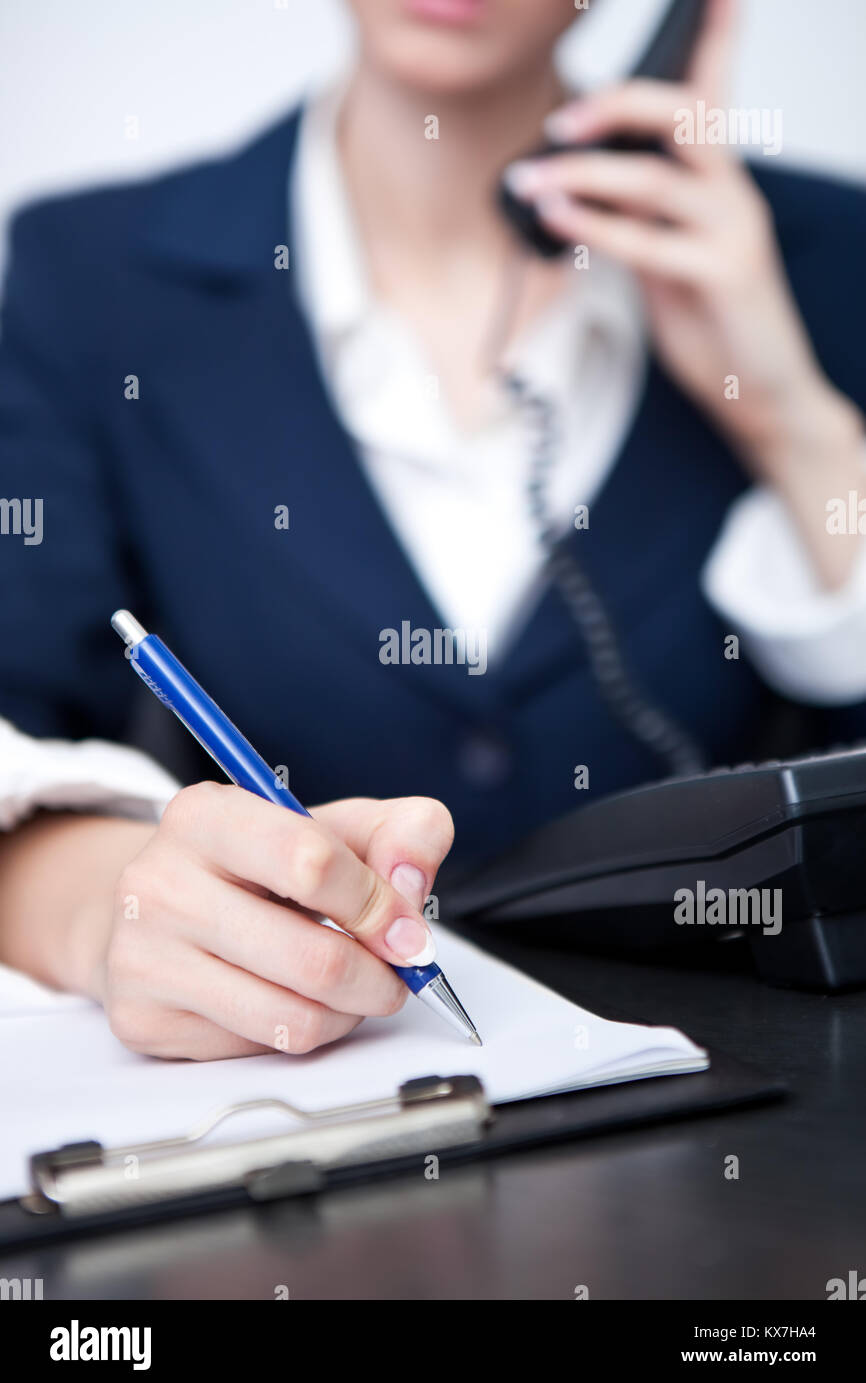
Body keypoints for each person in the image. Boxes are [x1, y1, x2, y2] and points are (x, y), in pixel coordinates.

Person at [0, 0, 865, 1058]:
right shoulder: (91, 279)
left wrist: (792, 423)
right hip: (306, 1100)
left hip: (764, 1108)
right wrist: (107, 913)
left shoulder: (827, 259)